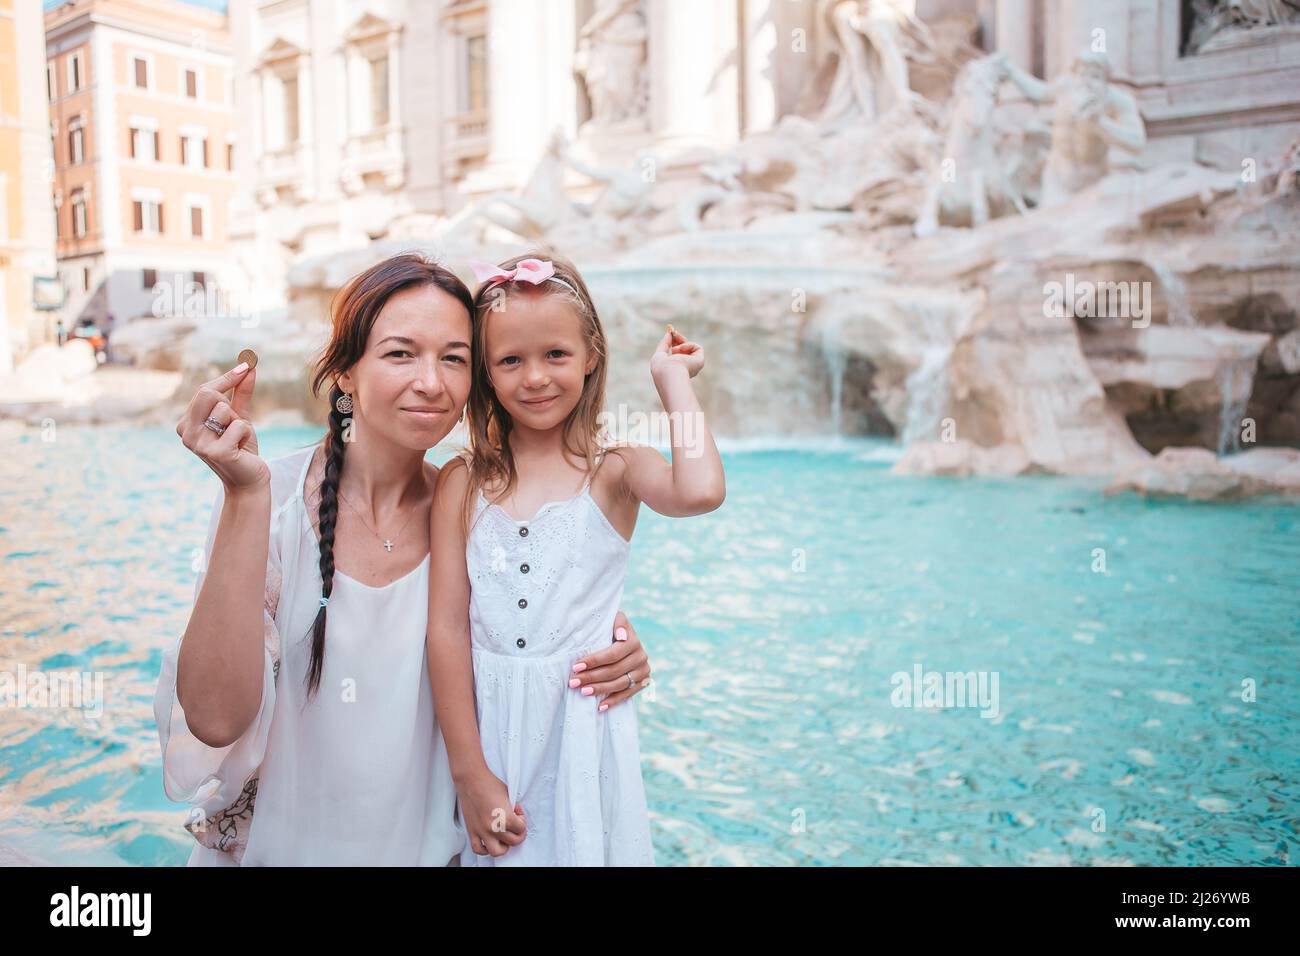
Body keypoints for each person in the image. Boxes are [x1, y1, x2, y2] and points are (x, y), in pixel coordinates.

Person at [154, 253, 654, 865]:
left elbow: (552, 614)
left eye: (454, 358)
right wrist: (242, 494)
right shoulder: (267, 495)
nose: (432, 382)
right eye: (399, 353)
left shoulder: (477, 513)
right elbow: (213, 717)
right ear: (345, 372)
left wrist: (618, 648)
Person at [427, 253, 725, 865]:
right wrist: (468, 771)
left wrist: (673, 382)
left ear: (591, 356)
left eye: (555, 355)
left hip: (583, 729)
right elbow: (445, 631)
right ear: (486, 372)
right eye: (510, 360)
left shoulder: (615, 470)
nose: (535, 377)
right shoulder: (462, 480)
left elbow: (700, 491)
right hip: (485, 729)